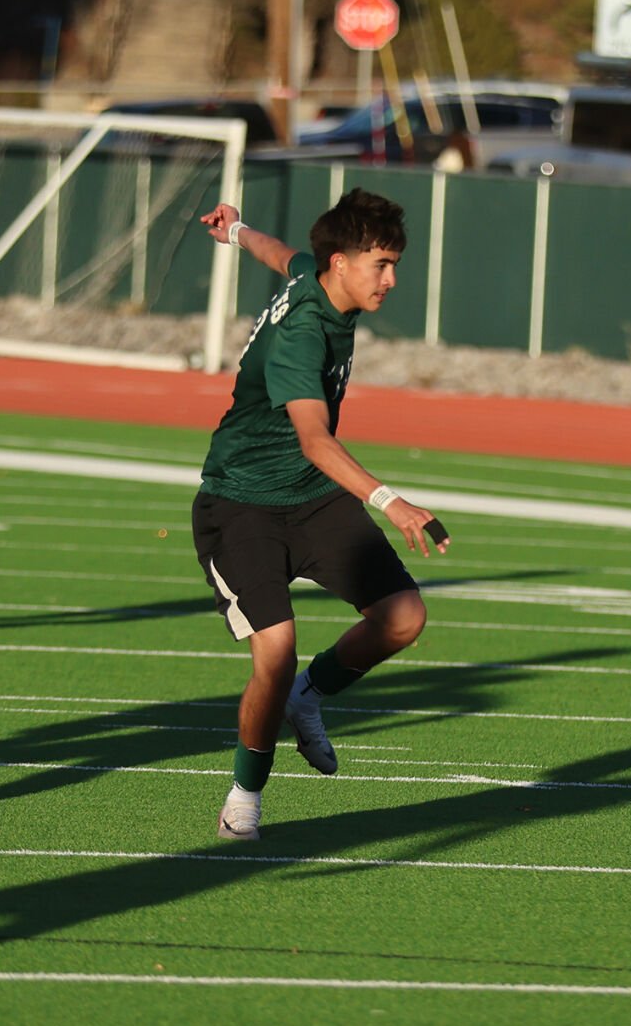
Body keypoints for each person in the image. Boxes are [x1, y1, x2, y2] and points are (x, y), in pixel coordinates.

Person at [192, 189, 448, 841]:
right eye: (381, 264)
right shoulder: (303, 333)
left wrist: (236, 229)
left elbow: (282, 256)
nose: (390, 279)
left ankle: (310, 697)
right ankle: (244, 795)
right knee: (273, 653)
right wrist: (393, 502)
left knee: (402, 617)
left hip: (308, 496)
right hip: (241, 501)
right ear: (341, 261)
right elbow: (315, 439)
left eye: (394, 264)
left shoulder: (319, 274)